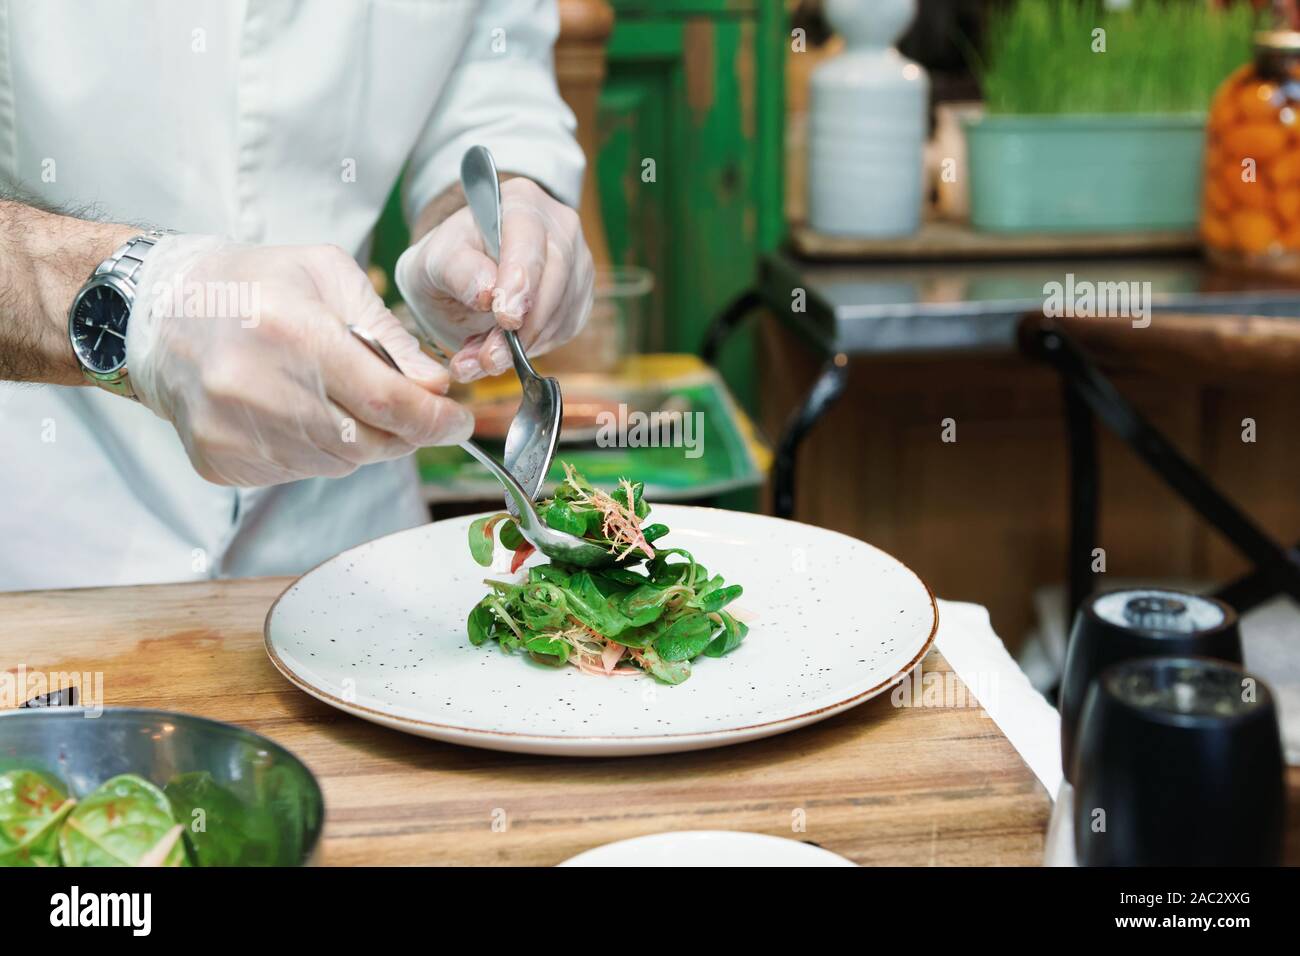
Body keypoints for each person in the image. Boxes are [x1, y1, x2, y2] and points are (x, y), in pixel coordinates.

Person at [0, 0, 594, 591]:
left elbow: (491, 95)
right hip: (53, 538)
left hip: (347, 532)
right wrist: (145, 307)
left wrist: (481, 230)